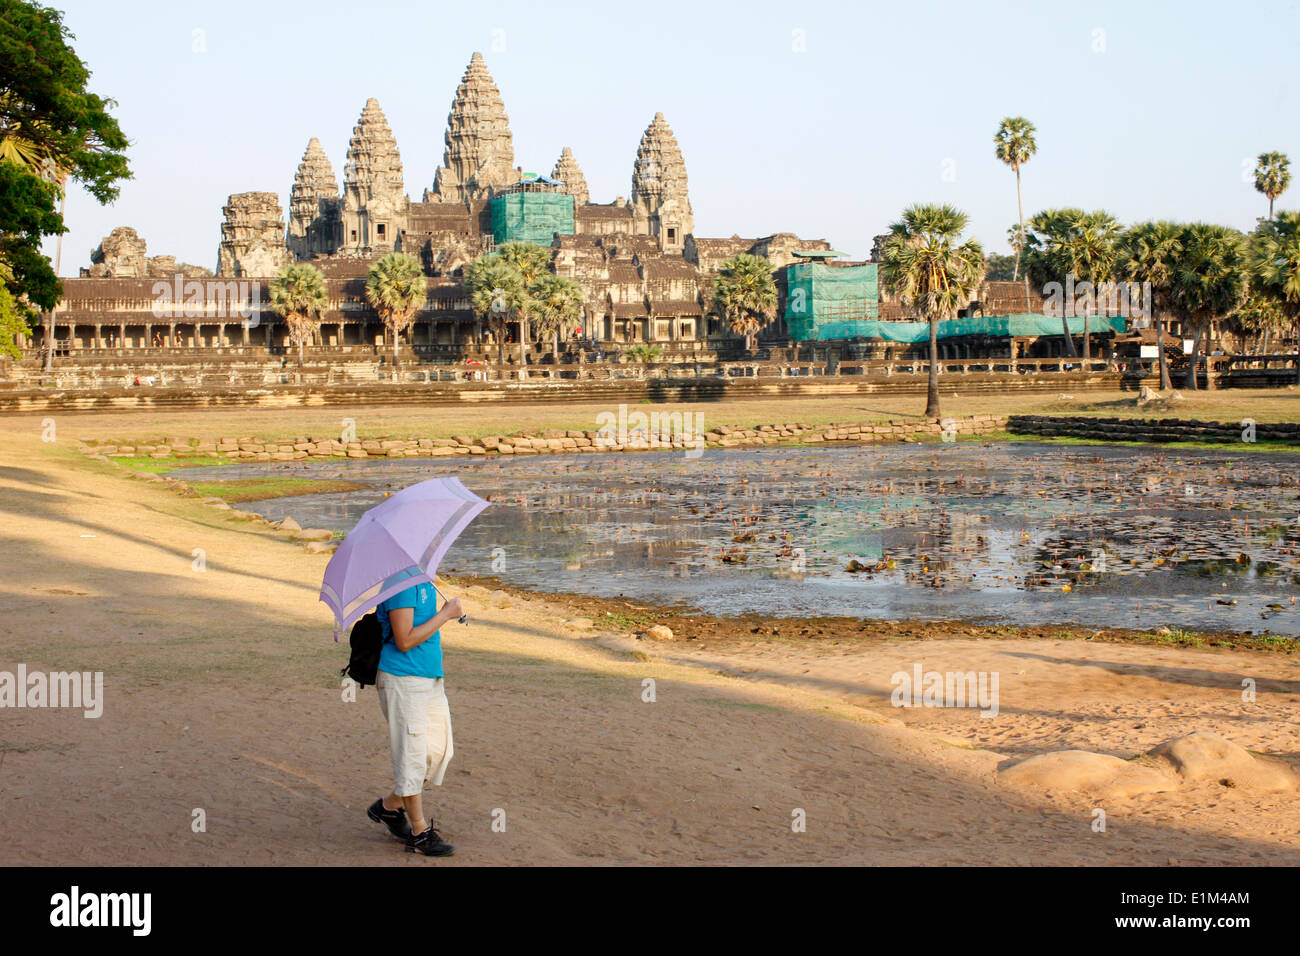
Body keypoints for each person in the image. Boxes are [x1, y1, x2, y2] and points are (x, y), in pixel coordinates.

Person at [366, 577, 464, 857]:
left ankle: (388, 807)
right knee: (412, 755)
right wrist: (445, 615)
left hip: (430, 677)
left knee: (438, 752)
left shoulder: (424, 579)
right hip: (404, 680)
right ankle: (419, 833)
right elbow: (405, 639)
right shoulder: (401, 582)